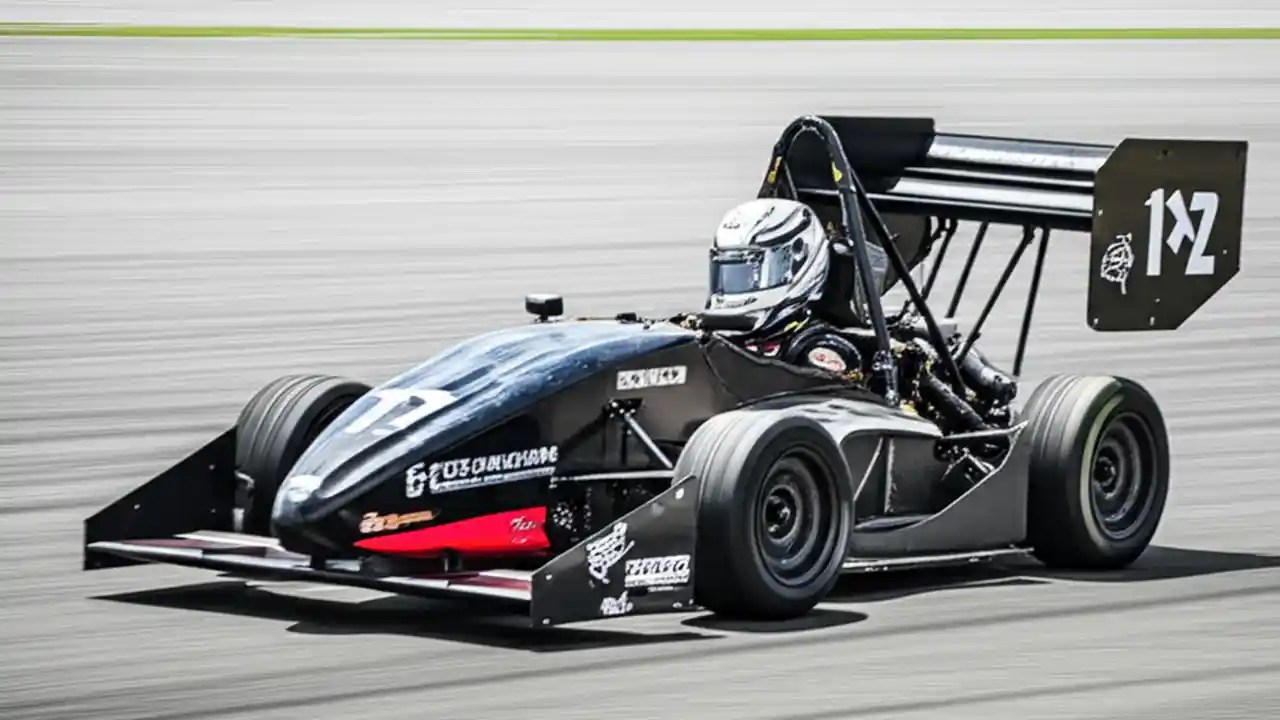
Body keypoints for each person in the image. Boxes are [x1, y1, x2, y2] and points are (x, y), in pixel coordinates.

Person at [703, 197, 879, 381]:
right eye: (731, 274)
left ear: (797, 260)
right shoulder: (717, 336)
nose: (737, 286)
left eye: (749, 274)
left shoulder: (818, 348)